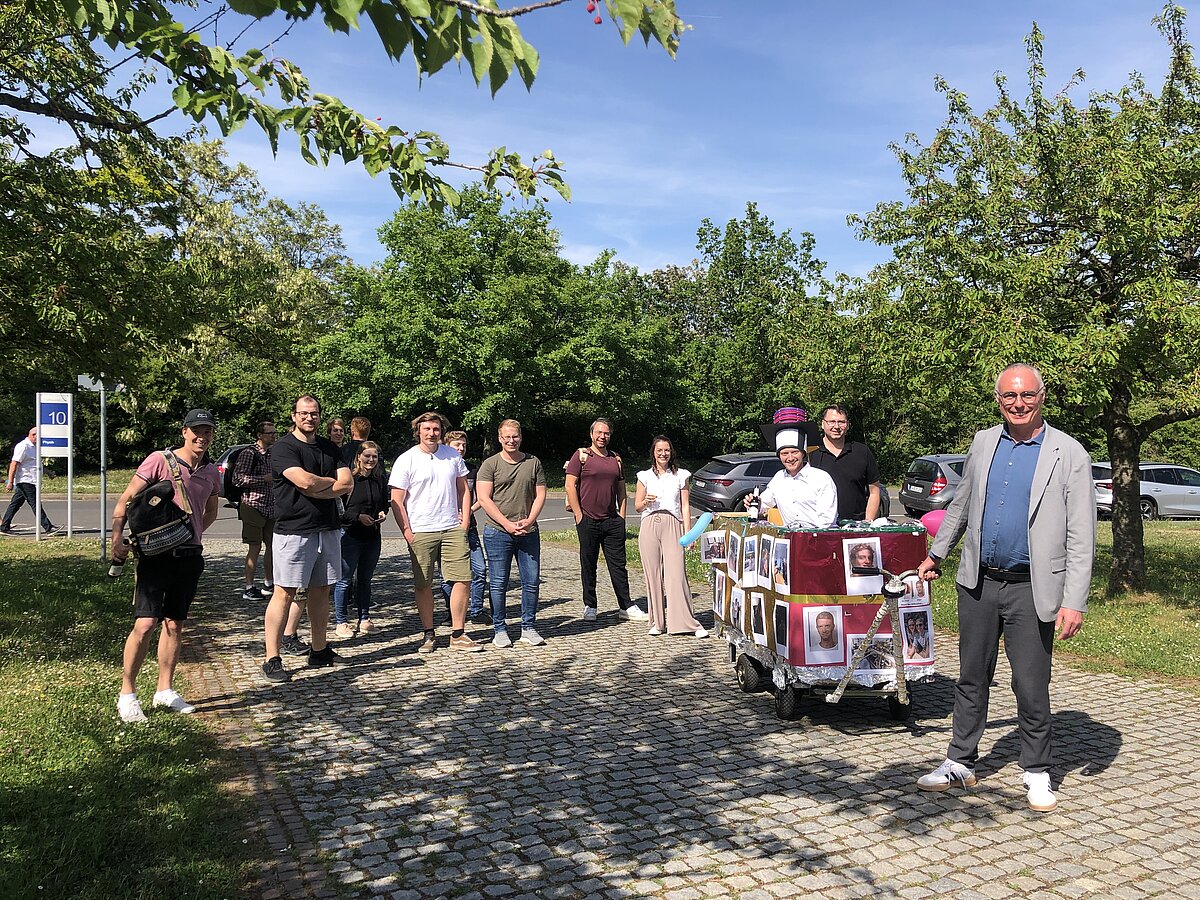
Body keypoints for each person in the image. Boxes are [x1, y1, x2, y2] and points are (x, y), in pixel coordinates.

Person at [915, 364, 1095, 813]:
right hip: (979, 582)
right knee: (972, 677)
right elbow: (960, 504)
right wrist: (937, 554)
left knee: (1030, 683)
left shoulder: (1068, 453)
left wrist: (1074, 600)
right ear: (998, 399)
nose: (1018, 404)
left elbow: (1081, 534)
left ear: (1042, 397)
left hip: (1032, 588)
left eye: (1027, 396)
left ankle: (1037, 770)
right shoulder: (983, 442)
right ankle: (959, 760)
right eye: (1009, 397)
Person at [110, 409, 221, 723]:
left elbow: (210, 511)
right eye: (196, 431)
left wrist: (189, 534)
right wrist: (117, 539)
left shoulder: (212, 472)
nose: (202, 437)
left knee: (175, 624)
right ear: (184, 432)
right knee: (145, 625)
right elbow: (126, 500)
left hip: (189, 556)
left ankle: (164, 690)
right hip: (155, 557)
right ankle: (127, 695)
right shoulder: (160, 460)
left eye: (207, 432)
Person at [261, 396, 353, 681]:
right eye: (303, 413)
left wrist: (317, 487)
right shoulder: (282, 448)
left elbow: (347, 482)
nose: (309, 418)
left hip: (327, 528)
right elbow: (303, 482)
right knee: (285, 592)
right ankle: (272, 658)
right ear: (293, 416)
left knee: (322, 590)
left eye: (314, 414)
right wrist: (326, 485)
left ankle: (319, 649)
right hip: (293, 531)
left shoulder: (329, 447)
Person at [390, 412, 483, 653]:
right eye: (427, 429)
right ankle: (428, 634)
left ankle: (458, 633)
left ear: (441, 432)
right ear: (418, 431)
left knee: (463, 579)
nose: (432, 433)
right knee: (424, 584)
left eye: (436, 429)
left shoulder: (452, 455)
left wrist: (463, 523)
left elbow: (464, 490)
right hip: (421, 530)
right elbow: (396, 500)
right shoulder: (406, 459)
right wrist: (407, 531)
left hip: (452, 527)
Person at [564, 418, 648, 622]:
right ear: (592, 434)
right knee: (588, 563)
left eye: (606, 433)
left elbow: (621, 489)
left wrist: (622, 517)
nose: (603, 436)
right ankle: (590, 605)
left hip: (612, 521)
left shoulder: (615, 459)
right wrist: (579, 515)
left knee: (618, 565)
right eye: (599, 433)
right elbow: (569, 485)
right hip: (588, 520)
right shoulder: (581, 456)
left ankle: (626, 605)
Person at [476, 419, 548, 648]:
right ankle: (500, 629)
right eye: (506, 437)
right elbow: (484, 499)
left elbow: (541, 494)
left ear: (520, 437)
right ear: (499, 438)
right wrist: (506, 523)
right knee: (498, 582)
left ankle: (528, 627)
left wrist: (531, 519)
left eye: (515, 436)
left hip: (528, 531)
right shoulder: (490, 464)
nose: (511, 440)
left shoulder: (533, 462)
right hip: (497, 532)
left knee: (532, 581)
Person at [634, 436, 706, 638]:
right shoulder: (644, 476)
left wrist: (689, 534)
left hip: (673, 524)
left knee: (676, 574)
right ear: (653, 453)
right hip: (649, 524)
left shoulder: (681, 476)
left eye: (666, 450)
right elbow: (638, 506)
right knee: (653, 575)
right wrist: (646, 502)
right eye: (659, 450)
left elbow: (684, 506)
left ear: (671, 452)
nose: (663, 454)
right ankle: (658, 622)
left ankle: (686, 623)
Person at [333, 441, 389, 638]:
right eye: (367, 456)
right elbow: (339, 511)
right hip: (350, 536)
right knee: (344, 580)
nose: (371, 460)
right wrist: (357, 517)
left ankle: (364, 619)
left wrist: (382, 513)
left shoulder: (379, 480)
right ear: (358, 457)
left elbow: (384, 504)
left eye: (374, 457)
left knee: (365, 580)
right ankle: (341, 622)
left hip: (372, 536)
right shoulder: (350, 480)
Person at [748, 419, 838, 529]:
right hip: (791, 539)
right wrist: (753, 503)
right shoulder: (778, 478)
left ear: (803, 454)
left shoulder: (821, 478)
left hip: (819, 539)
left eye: (795, 452)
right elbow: (764, 505)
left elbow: (827, 521)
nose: (790, 458)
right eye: (784, 453)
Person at [439, 430, 487, 624]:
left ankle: (476, 610)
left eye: (463, 445)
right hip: (446, 526)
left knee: (479, 569)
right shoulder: (441, 467)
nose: (461, 448)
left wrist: (468, 512)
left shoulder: (472, 469)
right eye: (457, 445)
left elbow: (480, 497)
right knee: (447, 576)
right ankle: (453, 612)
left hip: (470, 526)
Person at [809, 405, 884, 522]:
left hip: (856, 527)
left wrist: (868, 521)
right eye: (832, 422)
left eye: (841, 422)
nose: (836, 426)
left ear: (847, 425)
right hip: (819, 527)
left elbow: (874, 491)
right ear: (823, 424)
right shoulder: (810, 454)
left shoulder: (862, 452)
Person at [234, 421, 278, 601]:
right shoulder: (249, 453)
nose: (273, 436)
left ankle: (269, 583)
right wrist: (263, 479)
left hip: (272, 506)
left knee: (273, 546)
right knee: (255, 546)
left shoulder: (274, 453)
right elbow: (238, 479)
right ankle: (249, 587)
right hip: (252, 504)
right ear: (259, 435)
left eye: (275, 433)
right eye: (269, 433)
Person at [2, 427, 58, 535]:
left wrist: (48, 472)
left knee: (15, 504)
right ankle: (48, 527)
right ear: (33, 435)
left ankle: (4, 527)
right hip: (25, 480)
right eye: (39, 437)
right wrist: (10, 481)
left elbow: (35, 464)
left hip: (32, 480)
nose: (41, 439)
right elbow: (14, 464)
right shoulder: (23, 446)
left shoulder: (35, 447)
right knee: (36, 504)